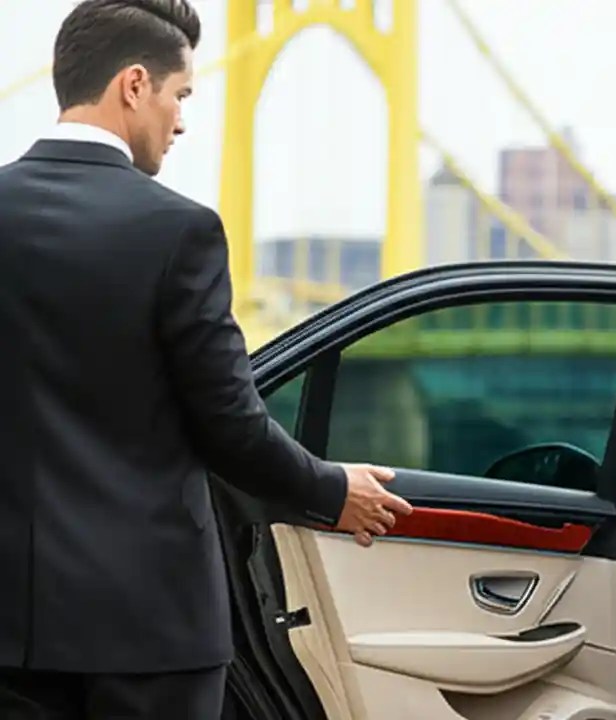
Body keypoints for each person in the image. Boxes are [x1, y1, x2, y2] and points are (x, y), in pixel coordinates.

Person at [0, 0, 415, 717]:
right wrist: (329, 488)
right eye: (181, 95)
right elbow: (230, 424)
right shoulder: (176, 229)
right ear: (135, 85)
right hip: (147, 631)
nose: (183, 121)